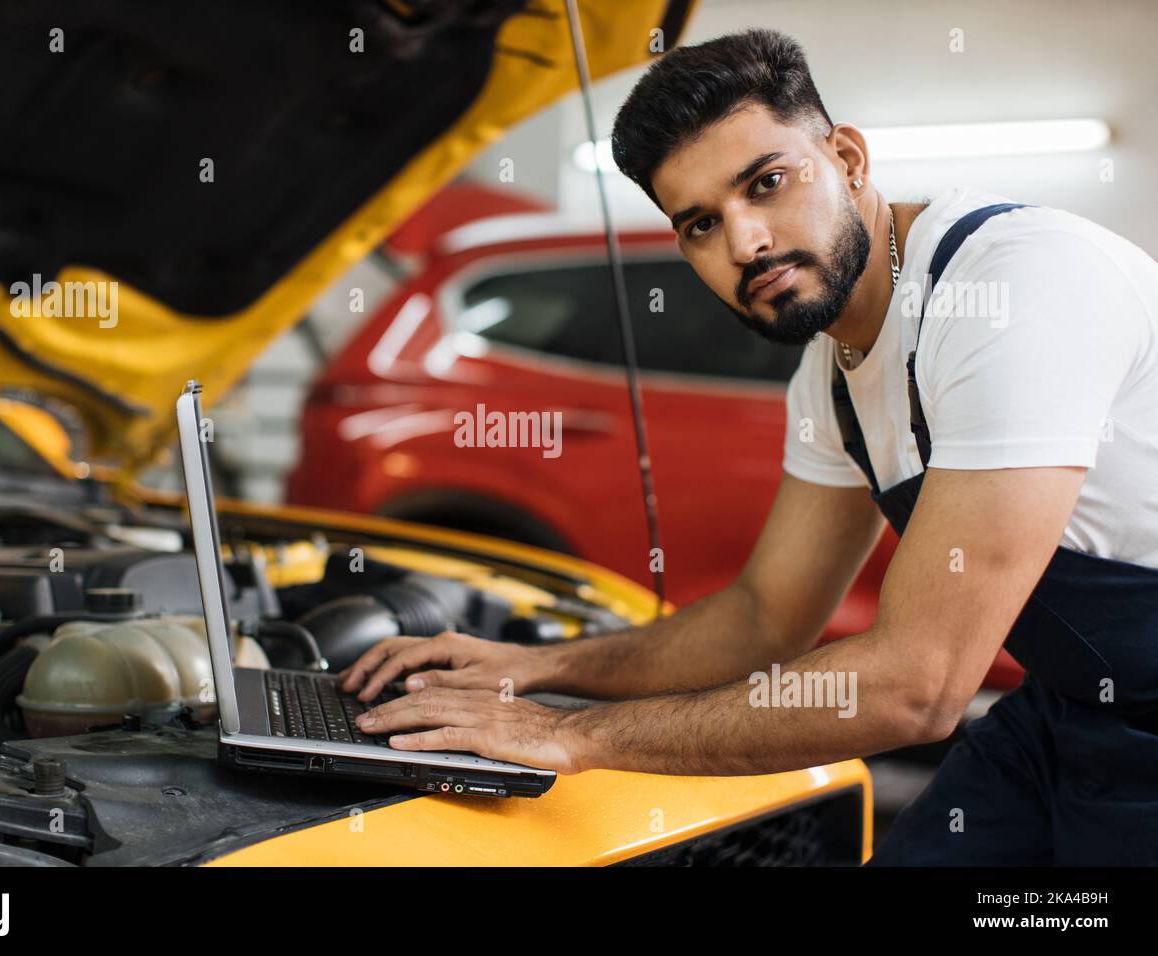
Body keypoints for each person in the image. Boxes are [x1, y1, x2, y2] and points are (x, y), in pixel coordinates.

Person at [337, 28, 1158, 865]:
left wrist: (569, 736)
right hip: (1071, 714)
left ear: (846, 157)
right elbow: (765, 615)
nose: (744, 244)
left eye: (766, 184)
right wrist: (529, 667)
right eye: (700, 223)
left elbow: (919, 688)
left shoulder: (1013, 289)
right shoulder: (831, 373)